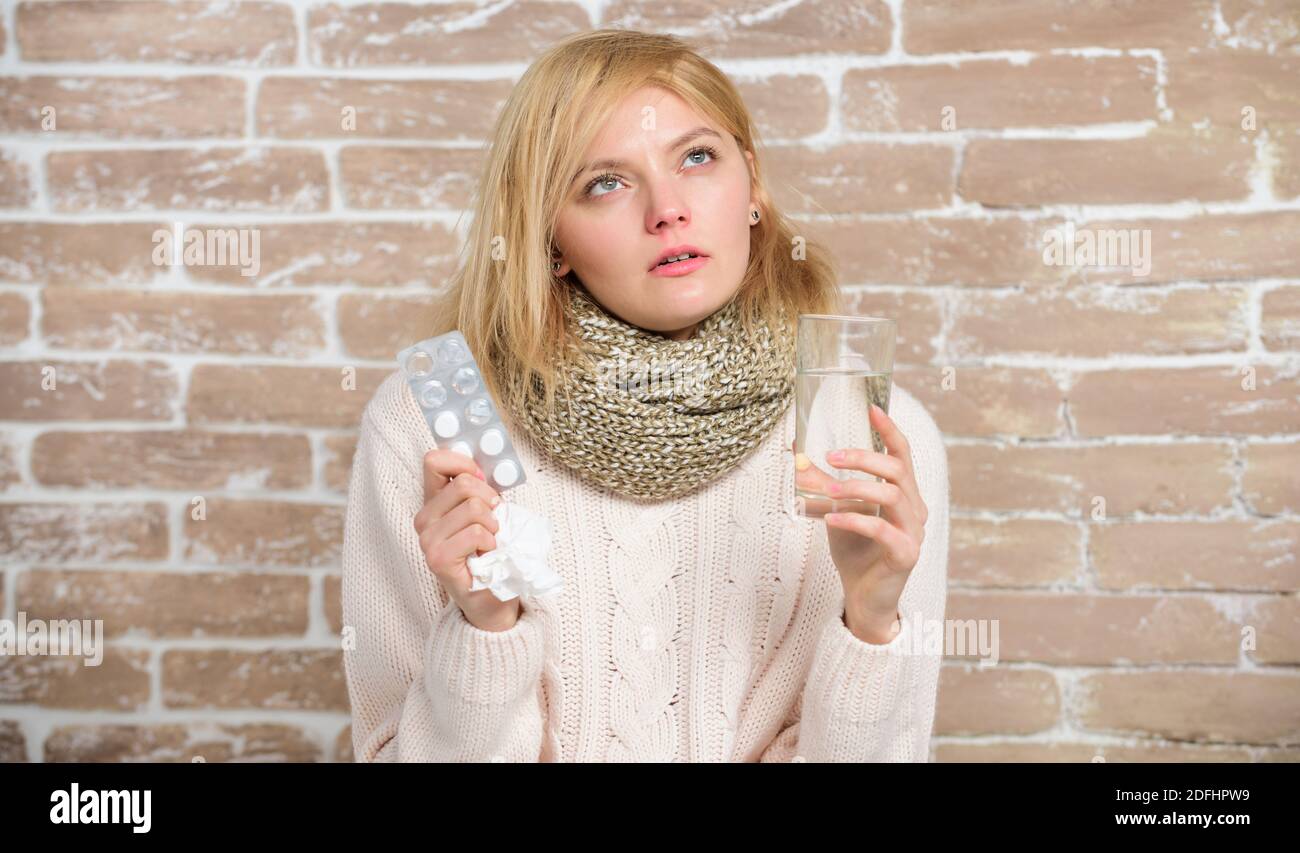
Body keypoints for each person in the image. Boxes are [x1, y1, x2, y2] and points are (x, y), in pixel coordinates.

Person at [341, 28, 949, 762]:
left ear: (752, 183)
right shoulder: (430, 419)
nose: (668, 209)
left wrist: (871, 623)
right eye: (605, 182)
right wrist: (485, 629)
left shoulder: (868, 440)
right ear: (550, 238)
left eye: (697, 157)